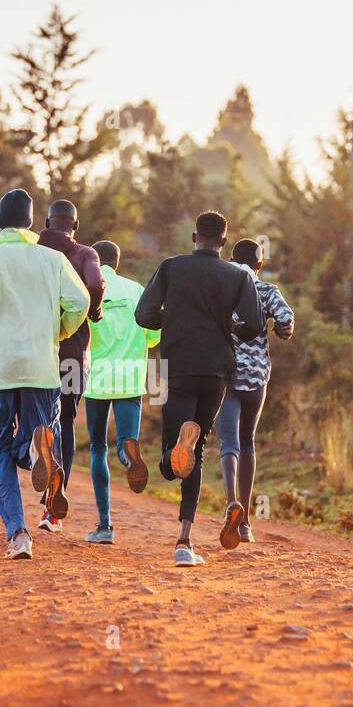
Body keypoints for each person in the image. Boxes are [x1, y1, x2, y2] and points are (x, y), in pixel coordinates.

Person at [0, 188, 90, 559]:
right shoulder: (51, 259)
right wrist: (58, 331)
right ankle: (35, 448)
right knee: (38, 435)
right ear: (31, 222)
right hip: (42, 368)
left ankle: (18, 534)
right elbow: (81, 302)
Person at [135, 210, 263, 567]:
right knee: (201, 447)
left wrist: (172, 320)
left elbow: (143, 314)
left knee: (171, 454)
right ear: (223, 241)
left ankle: (171, 455)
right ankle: (184, 540)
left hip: (177, 366)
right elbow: (253, 323)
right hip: (216, 369)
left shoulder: (171, 267)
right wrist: (227, 328)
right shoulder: (237, 276)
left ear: (194, 237)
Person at [214, 238, 294, 548]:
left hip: (225, 376)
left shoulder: (221, 285)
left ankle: (231, 504)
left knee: (228, 444)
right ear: (259, 265)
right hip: (257, 378)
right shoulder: (267, 290)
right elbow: (286, 321)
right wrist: (280, 330)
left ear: (231, 259)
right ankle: (245, 522)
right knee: (248, 442)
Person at [82, 240, 159, 544]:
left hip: (97, 379)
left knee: (97, 447)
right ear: (117, 261)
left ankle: (104, 526)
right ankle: (129, 457)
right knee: (127, 440)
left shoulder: (88, 289)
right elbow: (152, 337)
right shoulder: (136, 290)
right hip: (130, 378)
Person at [36, 200, 105, 533]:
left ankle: (38, 452)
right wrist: (93, 311)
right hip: (72, 354)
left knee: (37, 417)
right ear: (74, 226)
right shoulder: (85, 253)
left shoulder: (31, 251)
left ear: (47, 222)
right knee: (65, 417)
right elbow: (94, 284)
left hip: (33, 351)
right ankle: (55, 500)